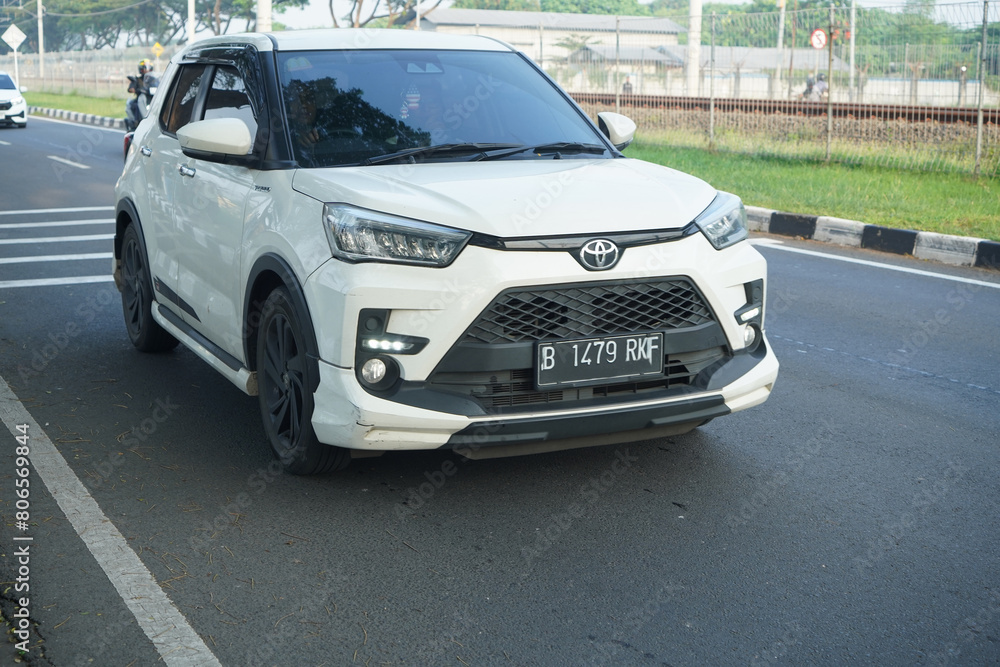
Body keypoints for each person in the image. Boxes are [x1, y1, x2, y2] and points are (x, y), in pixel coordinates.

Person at [126, 60, 158, 131]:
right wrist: (133, 89)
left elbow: (158, 85)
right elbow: (131, 88)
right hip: (141, 98)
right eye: (144, 68)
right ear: (141, 69)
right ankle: (136, 121)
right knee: (137, 105)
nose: (146, 70)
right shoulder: (137, 79)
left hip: (152, 98)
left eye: (148, 68)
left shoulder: (154, 79)